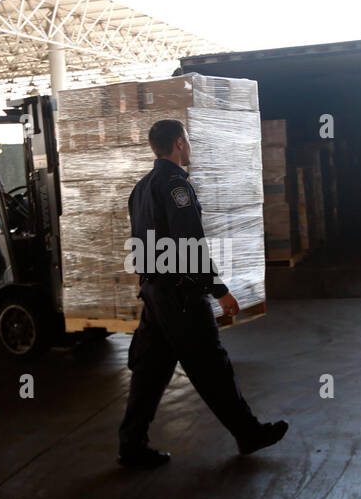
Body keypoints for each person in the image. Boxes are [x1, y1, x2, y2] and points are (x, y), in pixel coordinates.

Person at [117, 118, 289, 469]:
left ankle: (132, 445)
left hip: (154, 294)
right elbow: (190, 242)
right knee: (212, 365)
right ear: (179, 143)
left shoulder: (140, 188)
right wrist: (219, 290)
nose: (190, 147)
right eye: (189, 141)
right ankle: (248, 433)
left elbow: (141, 245)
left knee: (149, 372)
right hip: (181, 297)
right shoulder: (176, 184)